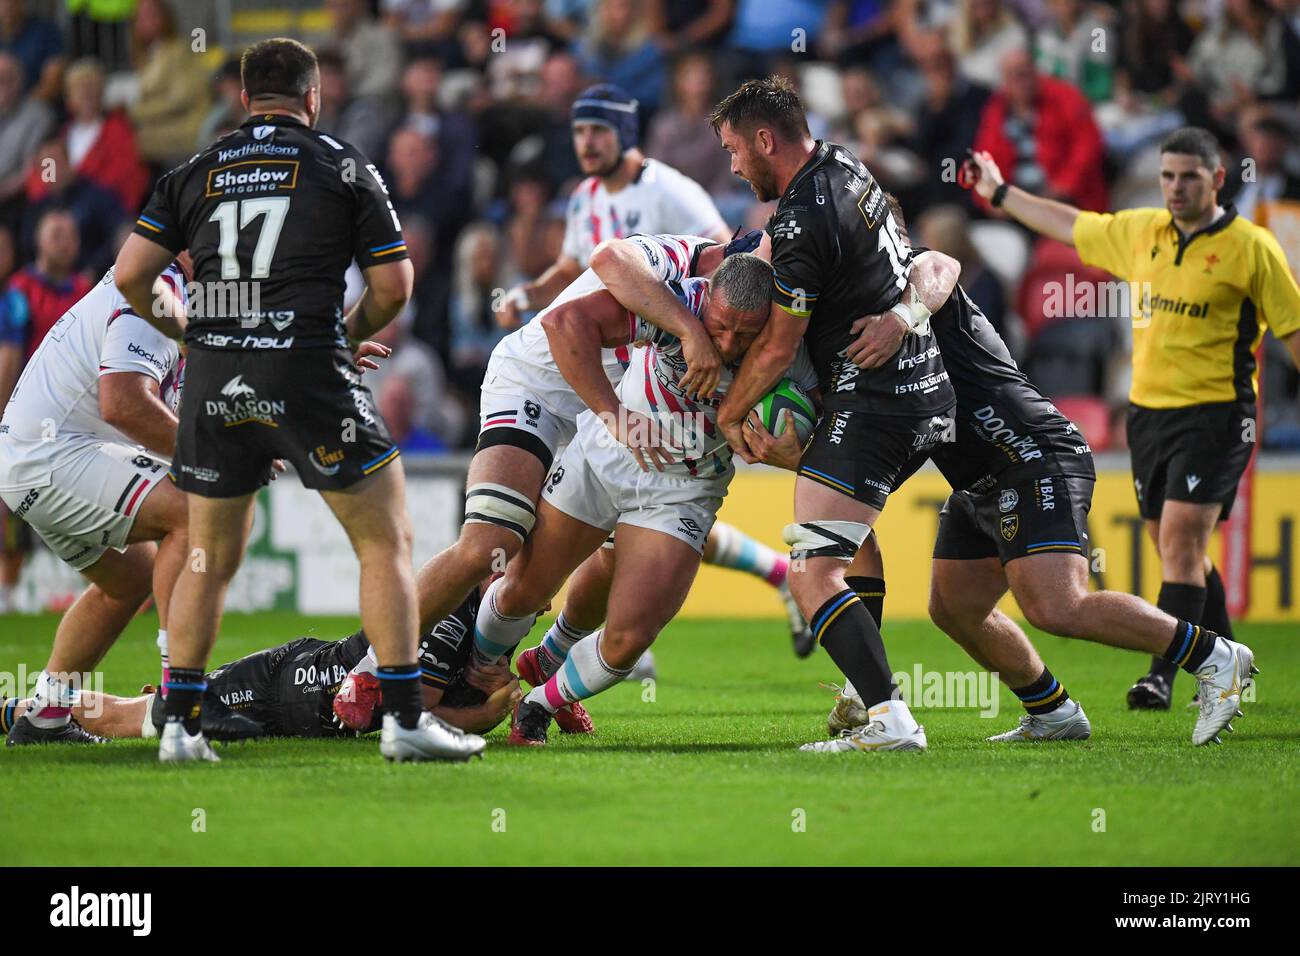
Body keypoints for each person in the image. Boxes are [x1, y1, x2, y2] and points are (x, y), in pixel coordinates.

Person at [755, 195, 1257, 747]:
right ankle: (1053, 711)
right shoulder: (859, 309)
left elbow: (941, 264)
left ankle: (1215, 656)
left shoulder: (914, 280)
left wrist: (811, 459)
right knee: (954, 607)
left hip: (1032, 453)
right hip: (979, 477)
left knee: (1057, 605)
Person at [113, 37, 483, 764]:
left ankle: (182, 729)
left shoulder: (192, 171)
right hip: (307, 367)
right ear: (313, 98)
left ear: (243, 97)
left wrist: (188, 330)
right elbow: (395, 290)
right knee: (384, 540)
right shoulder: (340, 164)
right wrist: (343, 337)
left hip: (216, 377)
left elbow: (131, 278)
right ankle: (404, 721)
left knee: (207, 561)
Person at [966, 126, 1300, 710]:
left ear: (1217, 180)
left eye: (1188, 177)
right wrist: (999, 193)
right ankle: (1228, 660)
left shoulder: (1253, 248)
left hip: (1218, 413)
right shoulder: (1141, 231)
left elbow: (1293, 331)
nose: (1174, 187)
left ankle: (1163, 677)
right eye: (1168, 175)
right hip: (1149, 413)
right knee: (1180, 551)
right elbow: (1068, 224)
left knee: (1179, 542)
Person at [503, 84, 813, 655]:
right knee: (613, 517)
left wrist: (707, 343)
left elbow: (730, 269)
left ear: (624, 133)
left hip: (650, 368)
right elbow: (579, 264)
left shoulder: (673, 189)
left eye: (598, 130)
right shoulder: (583, 197)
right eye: (578, 131)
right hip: (600, 365)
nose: (586, 143)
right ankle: (530, 646)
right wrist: (528, 294)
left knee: (660, 497)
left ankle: (564, 650)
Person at [711, 75, 956, 754]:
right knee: (852, 544)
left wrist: (730, 414)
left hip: (874, 402)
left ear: (766, 140)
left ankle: (891, 719)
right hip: (925, 388)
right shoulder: (845, 164)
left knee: (811, 570)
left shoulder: (799, 217)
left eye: (735, 149)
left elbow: (781, 343)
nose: (733, 164)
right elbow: (899, 252)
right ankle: (860, 695)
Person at [475, 253, 803, 745]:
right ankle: (478, 671)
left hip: (682, 494)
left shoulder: (794, 351)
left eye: (746, 334)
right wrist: (613, 415)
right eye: (719, 327)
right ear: (706, 298)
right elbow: (566, 322)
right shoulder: (680, 304)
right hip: (603, 457)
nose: (730, 343)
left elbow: (829, 434)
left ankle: (540, 703)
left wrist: (788, 454)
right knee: (522, 590)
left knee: (627, 640)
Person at [0, 261, 191, 745]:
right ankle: (177, 695)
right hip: (54, 455)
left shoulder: (174, 293)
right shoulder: (155, 290)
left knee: (129, 580)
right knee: (194, 512)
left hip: (34, 458)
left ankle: (45, 714)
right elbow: (122, 404)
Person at [0, 583, 521, 741]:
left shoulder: (485, 623)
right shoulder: (455, 618)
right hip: (285, 687)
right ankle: (24, 711)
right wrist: (483, 716)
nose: (545, 600)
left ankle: (32, 708)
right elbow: (414, 714)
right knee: (141, 721)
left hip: (299, 689)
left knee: (152, 710)